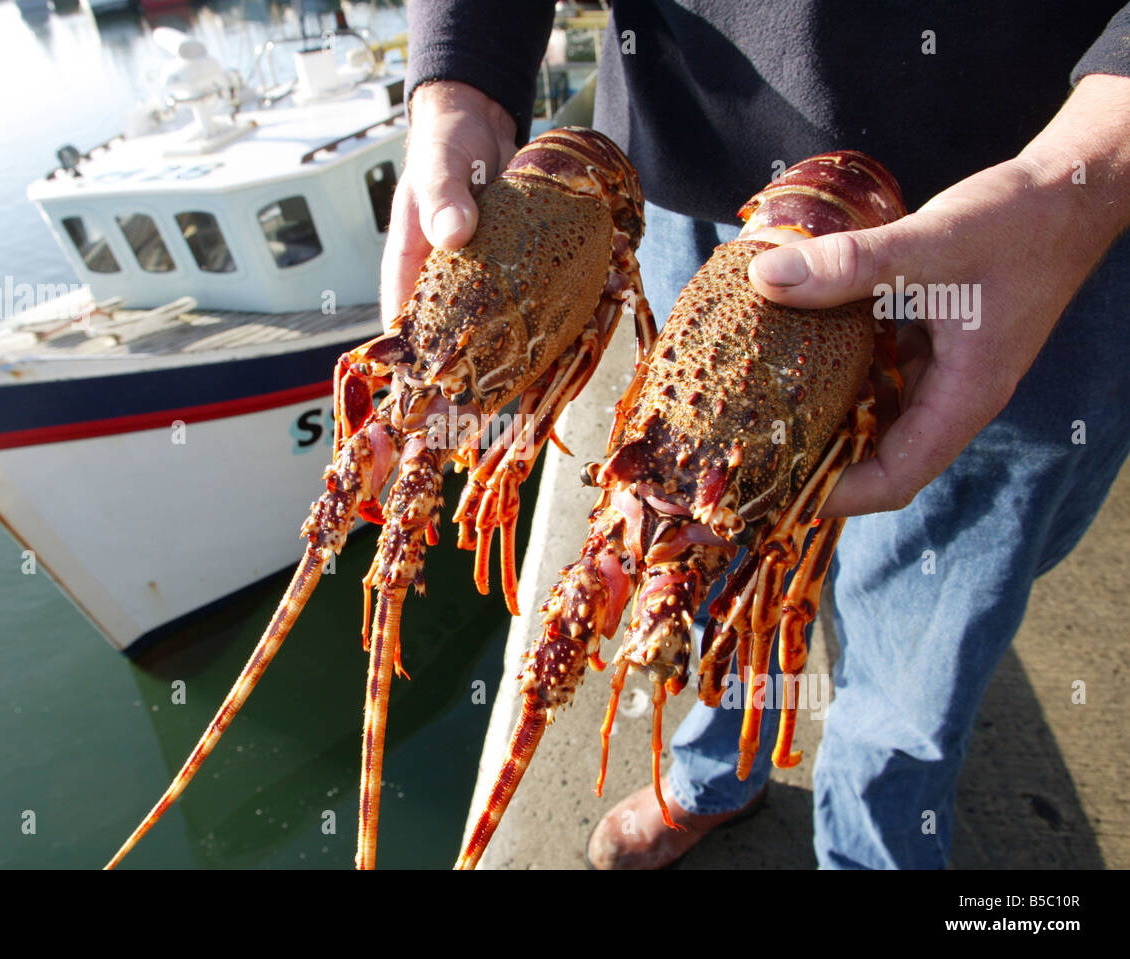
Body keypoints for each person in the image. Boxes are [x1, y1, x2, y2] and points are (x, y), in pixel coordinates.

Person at [381, 1, 1130, 868]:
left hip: (1031, 217)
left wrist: (1089, 170)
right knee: (713, 564)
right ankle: (712, 773)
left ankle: (873, 848)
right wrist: (461, 76)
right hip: (694, 167)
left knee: (917, 650)